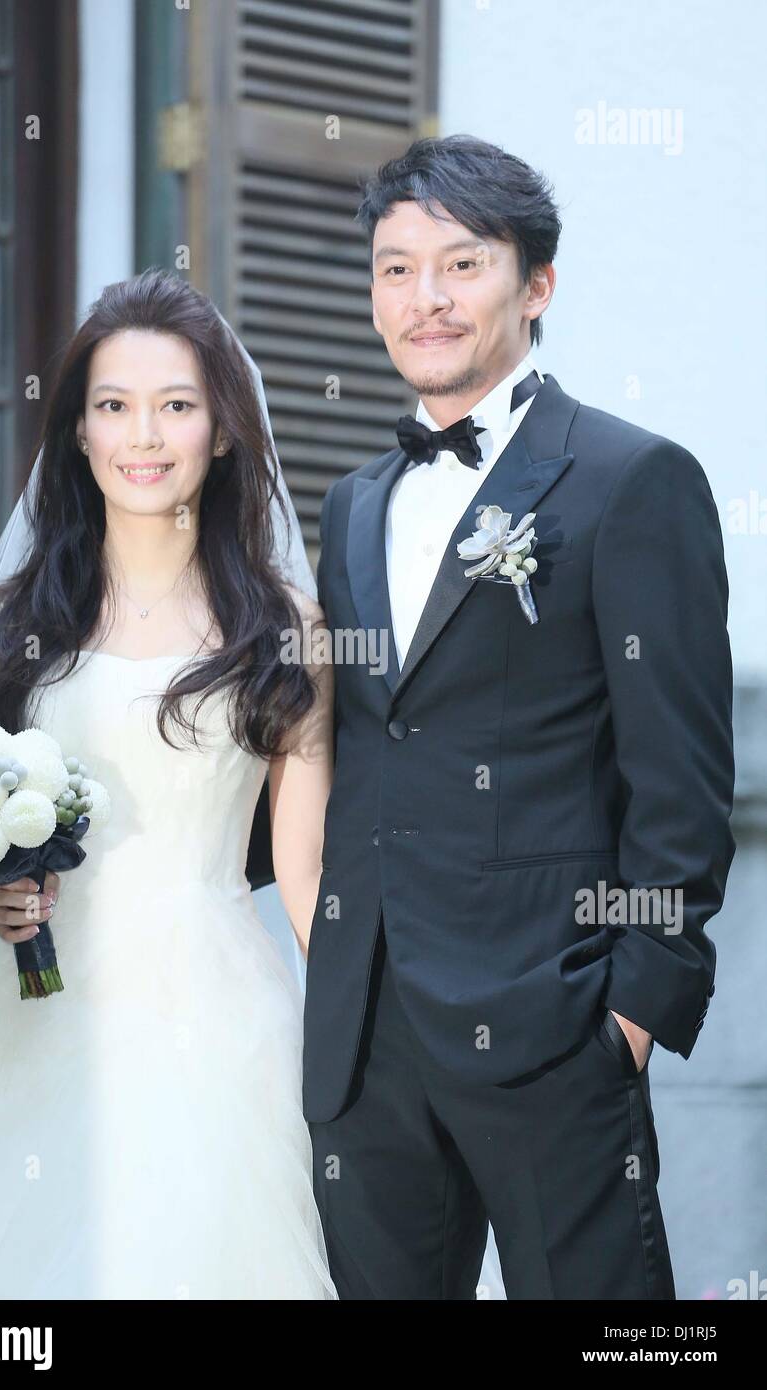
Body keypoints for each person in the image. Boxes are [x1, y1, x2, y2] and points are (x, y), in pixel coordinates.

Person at [302, 134, 735, 1300]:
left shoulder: (631, 479)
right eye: (396, 269)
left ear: (534, 284)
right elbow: (355, 747)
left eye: (461, 264)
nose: (424, 299)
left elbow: (681, 790)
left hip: (554, 1026)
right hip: (368, 1045)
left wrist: (630, 1018)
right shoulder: (350, 506)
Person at [0, 268, 337, 1300]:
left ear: (221, 432)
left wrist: (397, 1047)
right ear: (81, 433)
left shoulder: (284, 631)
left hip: (220, 1028)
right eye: (113, 406)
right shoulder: (10, 622)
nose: (143, 436)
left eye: (175, 406)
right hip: (27, 1018)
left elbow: (310, 876)